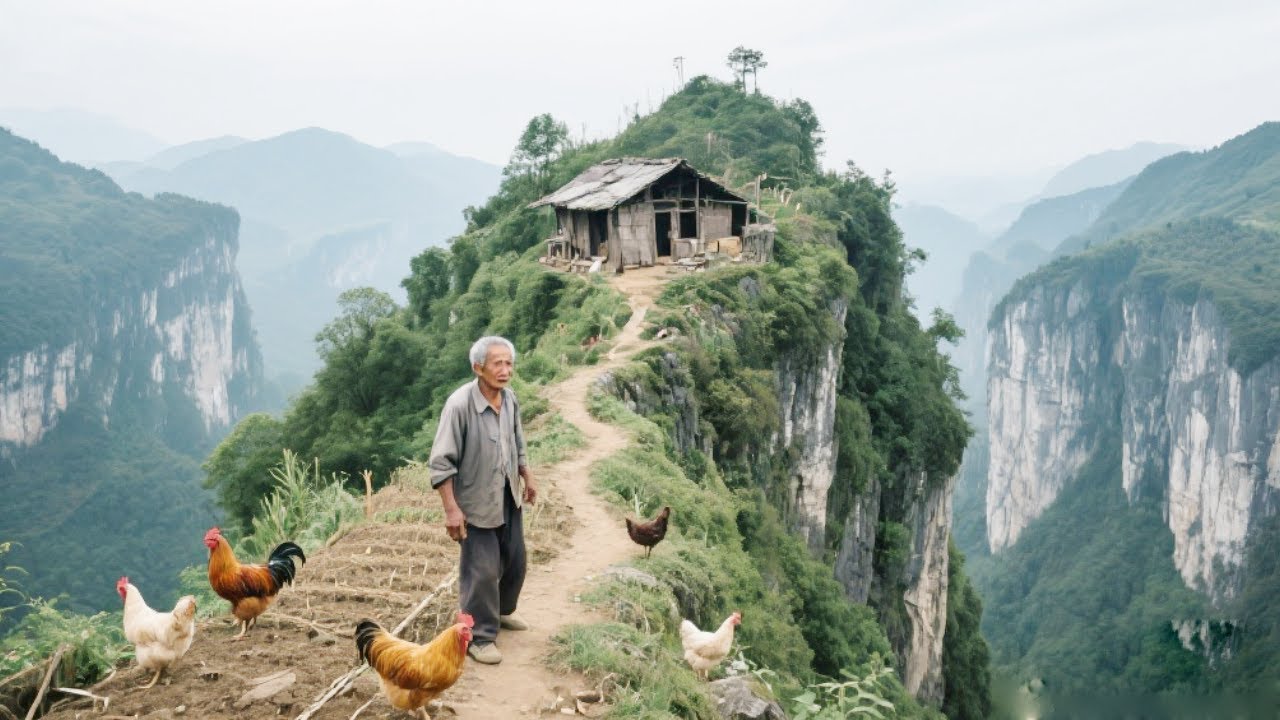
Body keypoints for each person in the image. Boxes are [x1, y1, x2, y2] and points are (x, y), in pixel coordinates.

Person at [429, 336, 537, 665]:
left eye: (509, 363)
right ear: (478, 368)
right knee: (482, 571)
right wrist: (451, 510)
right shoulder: (460, 405)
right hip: (474, 502)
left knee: (515, 561)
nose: (505, 370)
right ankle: (478, 636)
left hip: (506, 493)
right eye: (497, 364)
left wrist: (526, 474)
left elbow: (516, 440)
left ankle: (499, 612)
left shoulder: (510, 399)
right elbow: (441, 463)